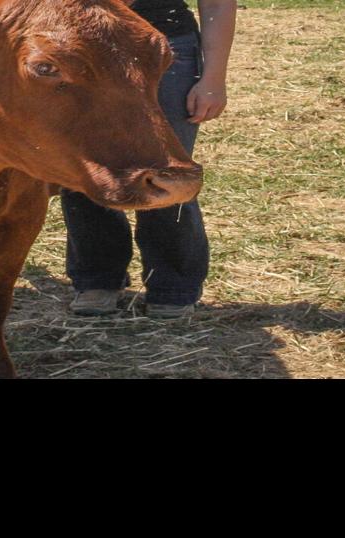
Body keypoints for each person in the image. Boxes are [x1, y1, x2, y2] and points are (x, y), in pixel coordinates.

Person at [63, 0, 237, 319]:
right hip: (79, 46)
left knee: (166, 171)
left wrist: (214, 78)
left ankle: (172, 287)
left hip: (167, 50)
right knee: (85, 168)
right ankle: (97, 279)